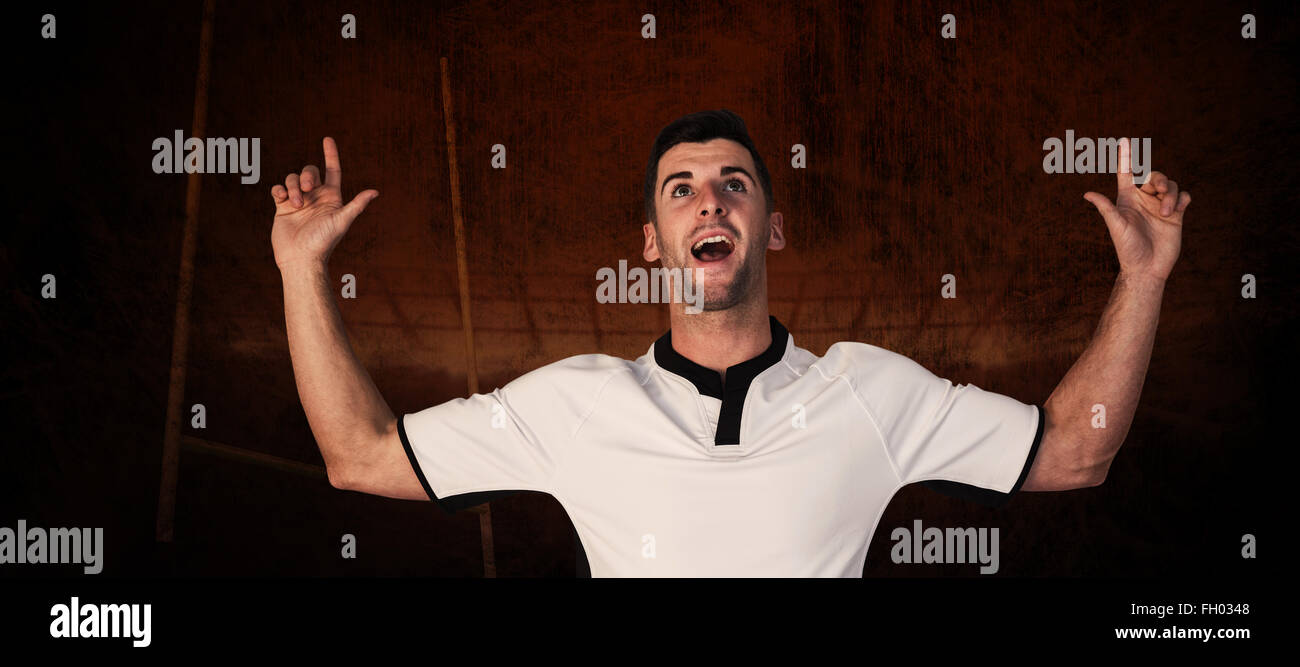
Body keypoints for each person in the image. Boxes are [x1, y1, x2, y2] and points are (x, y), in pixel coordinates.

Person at [270, 110, 1190, 576]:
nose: (709, 199)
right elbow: (358, 457)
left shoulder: (869, 391)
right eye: (680, 189)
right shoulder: (578, 400)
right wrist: (303, 273)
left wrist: (1143, 280)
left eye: (734, 184)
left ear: (771, 226)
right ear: (649, 241)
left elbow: (1077, 449)